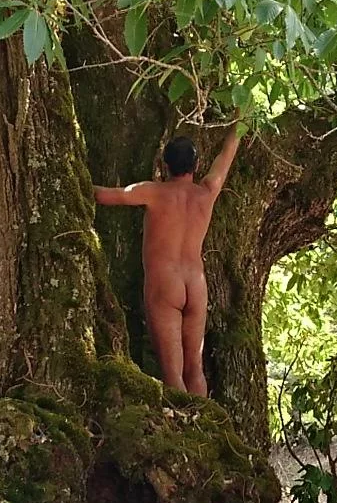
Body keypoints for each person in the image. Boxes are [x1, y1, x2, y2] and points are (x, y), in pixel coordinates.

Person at [93, 125, 241, 397]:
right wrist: (241, 119)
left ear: (165, 164)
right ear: (196, 165)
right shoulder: (206, 193)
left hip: (165, 285)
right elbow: (227, 154)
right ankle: (203, 433)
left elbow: (103, 195)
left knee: (173, 375)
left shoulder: (152, 192)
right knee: (194, 369)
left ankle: (184, 435)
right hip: (196, 285)